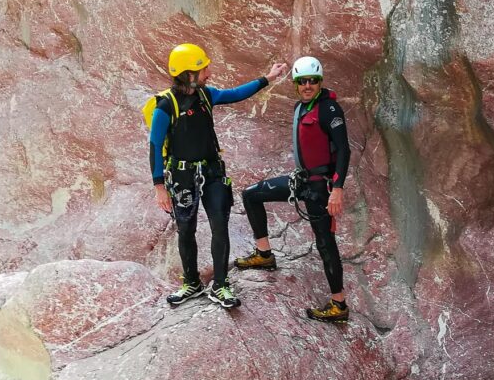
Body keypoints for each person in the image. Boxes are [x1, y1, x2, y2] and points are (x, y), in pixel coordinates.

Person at [149, 43, 287, 309]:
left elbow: (235, 94)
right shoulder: (166, 106)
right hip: (183, 177)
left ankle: (221, 285)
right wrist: (159, 186)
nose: (208, 72)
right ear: (189, 74)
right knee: (186, 230)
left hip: (212, 173)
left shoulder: (206, 96)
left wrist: (267, 78)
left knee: (219, 226)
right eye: (203, 69)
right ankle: (191, 283)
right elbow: (155, 145)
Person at [234, 56, 351, 322]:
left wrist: (338, 188)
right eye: (302, 81)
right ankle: (264, 254)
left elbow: (344, 150)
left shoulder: (329, 109)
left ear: (320, 82)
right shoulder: (302, 107)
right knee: (251, 194)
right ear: (296, 84)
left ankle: (339, 305)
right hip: (301, 181)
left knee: (325, 243)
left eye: (312, 81)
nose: (307, 85)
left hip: (320, 188)